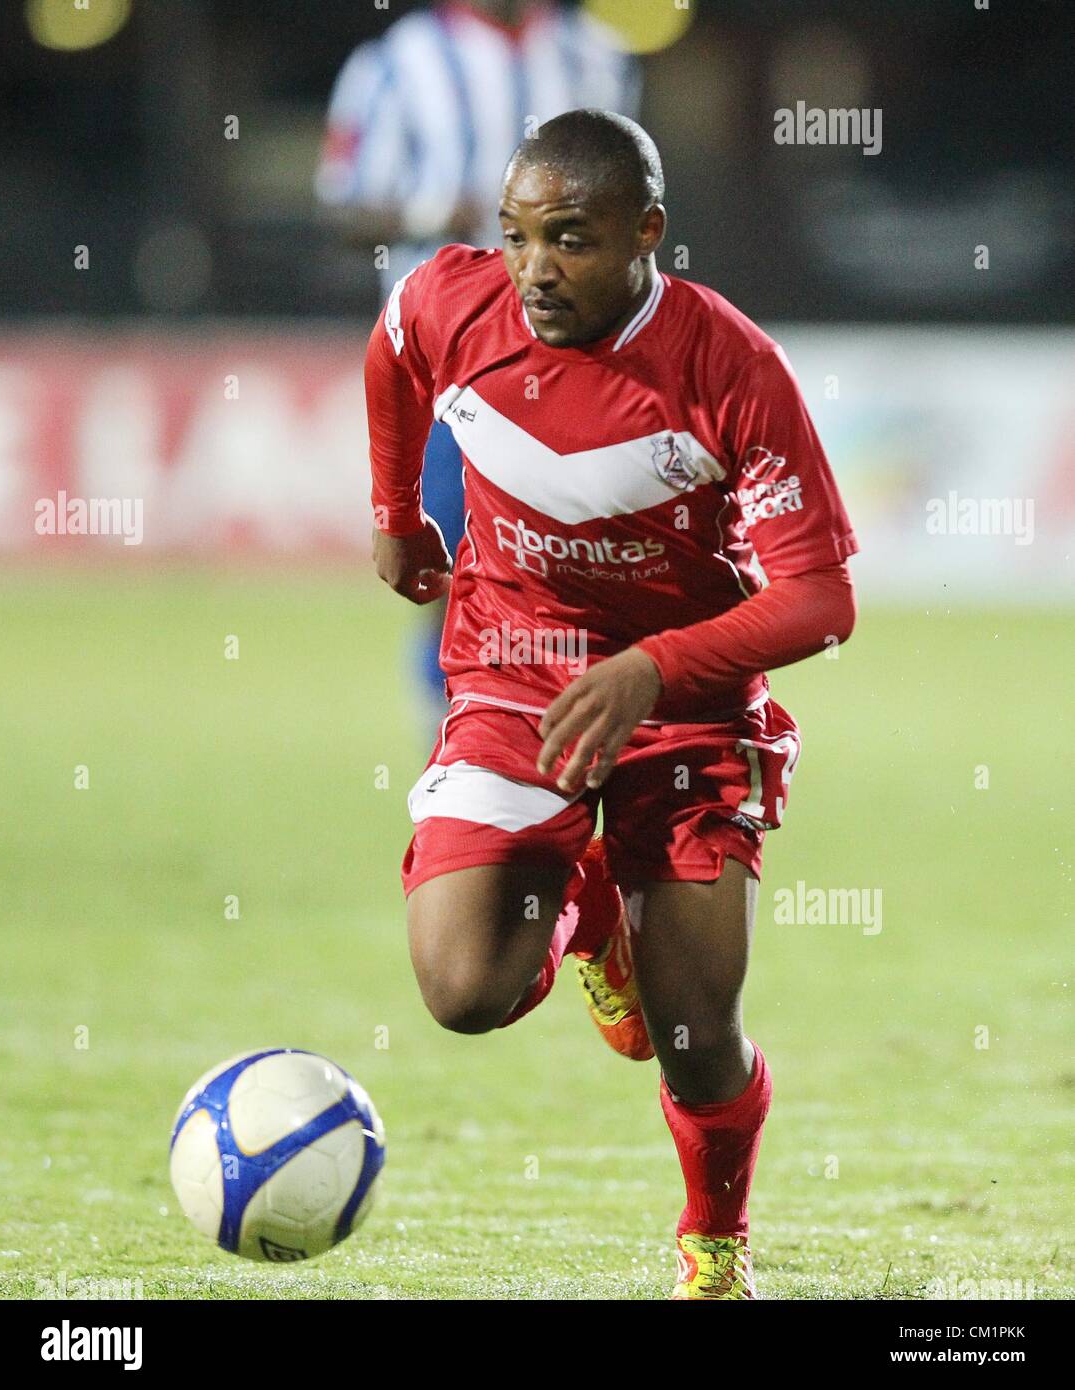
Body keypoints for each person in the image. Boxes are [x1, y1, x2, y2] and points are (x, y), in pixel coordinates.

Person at [364, 109, 859, 1299]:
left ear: (648, 234)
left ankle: (712, 1244)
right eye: (518, 235)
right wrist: (395, 513)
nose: (535, 267)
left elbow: (821, 599)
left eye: (571, 239)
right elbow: (391, 350)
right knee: (461, 991)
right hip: (513, 681)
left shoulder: (728, 365)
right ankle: (586, 914)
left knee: (693, 1038)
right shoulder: (454, 301)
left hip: (684, 709)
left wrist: (652, 668)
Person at [316, 1, 640, 724]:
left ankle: (583, 757)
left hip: (580, 363)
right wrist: (443, 212)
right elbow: (342, 206)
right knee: (461, 571)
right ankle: (457, 747)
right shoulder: (399, 60)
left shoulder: (597, 55)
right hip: (454, 366)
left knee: (599, 573)